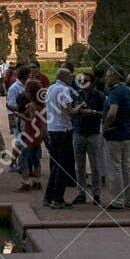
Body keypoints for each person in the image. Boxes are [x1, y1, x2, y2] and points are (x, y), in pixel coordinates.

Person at [102, 66, 130, 210]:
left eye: (108, 75)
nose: (106, 78)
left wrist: (105, 126)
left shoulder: (115, 93)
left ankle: (117, 200)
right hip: (126, 133)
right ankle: (129, 199)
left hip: (114, 134)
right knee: (126, 167)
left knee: (115, 168)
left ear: (115, 76)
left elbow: (112, 113)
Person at [43, 66, 78, 209]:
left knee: (56, 165)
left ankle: (49, 197)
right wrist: (79, 108)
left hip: (52, 129)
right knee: (63, 166)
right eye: (70, 76)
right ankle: (57, 199)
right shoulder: (64, 90)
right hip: (63, 130)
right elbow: (70, 112)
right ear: (64, 77)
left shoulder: (51, 88)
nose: (72, 78)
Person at [71, 68, 105, 206]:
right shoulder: (76, 95)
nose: (82, 83)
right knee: (79, 166)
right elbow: (71, 111)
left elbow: (105, 113)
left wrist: (93, 112)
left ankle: (96, 194)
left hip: (93, 133)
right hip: (78, 131)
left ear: (92, 83)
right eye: (81, 81)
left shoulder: (100, 96)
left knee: (95, 165)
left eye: (85, 81)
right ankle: (81, 193)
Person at [16, 77, 46, 189]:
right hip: (38, 135)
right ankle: (37, 181)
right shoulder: (41, 105)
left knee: (24, 159)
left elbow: (32, 120)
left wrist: (21, 116)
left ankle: (25, 182)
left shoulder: (32, 106)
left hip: (30, 134)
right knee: (36, 159)